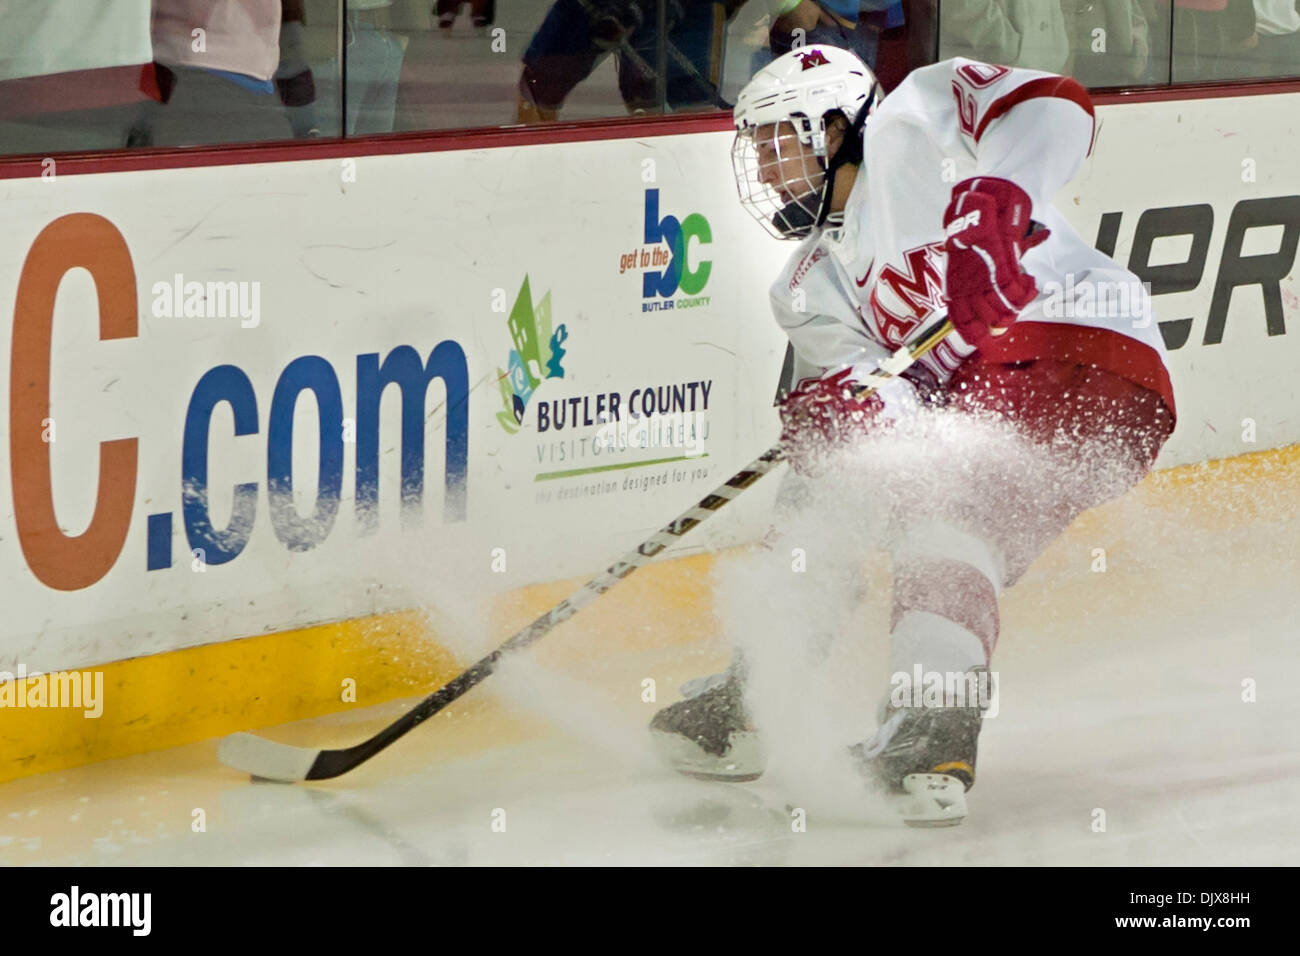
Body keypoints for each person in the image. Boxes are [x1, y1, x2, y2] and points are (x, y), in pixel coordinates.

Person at [649, 45, 1176, 825]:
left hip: (1084, 342)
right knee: (852, 487)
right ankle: (763, 693)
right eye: (754, 149)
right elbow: (892, 415)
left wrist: (997, 197)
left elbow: (1055, 103)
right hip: (1064, 418)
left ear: (831, 127)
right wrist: (852, 412)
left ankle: (927, 730)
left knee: (941, 507)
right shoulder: (805, 286)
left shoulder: (910, 122)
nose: (761, 169)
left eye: (772, 142)